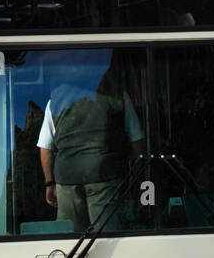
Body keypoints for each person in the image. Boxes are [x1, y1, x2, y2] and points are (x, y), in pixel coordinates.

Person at [37, 51, 145, 231]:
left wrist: (50, 183)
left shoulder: (54, 100)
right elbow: (138, 142)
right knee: (106, 237)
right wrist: (138, 177)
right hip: (104, 176)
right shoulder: (118, 96)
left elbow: (45, 147)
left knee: (70, 240)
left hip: (66, 179)